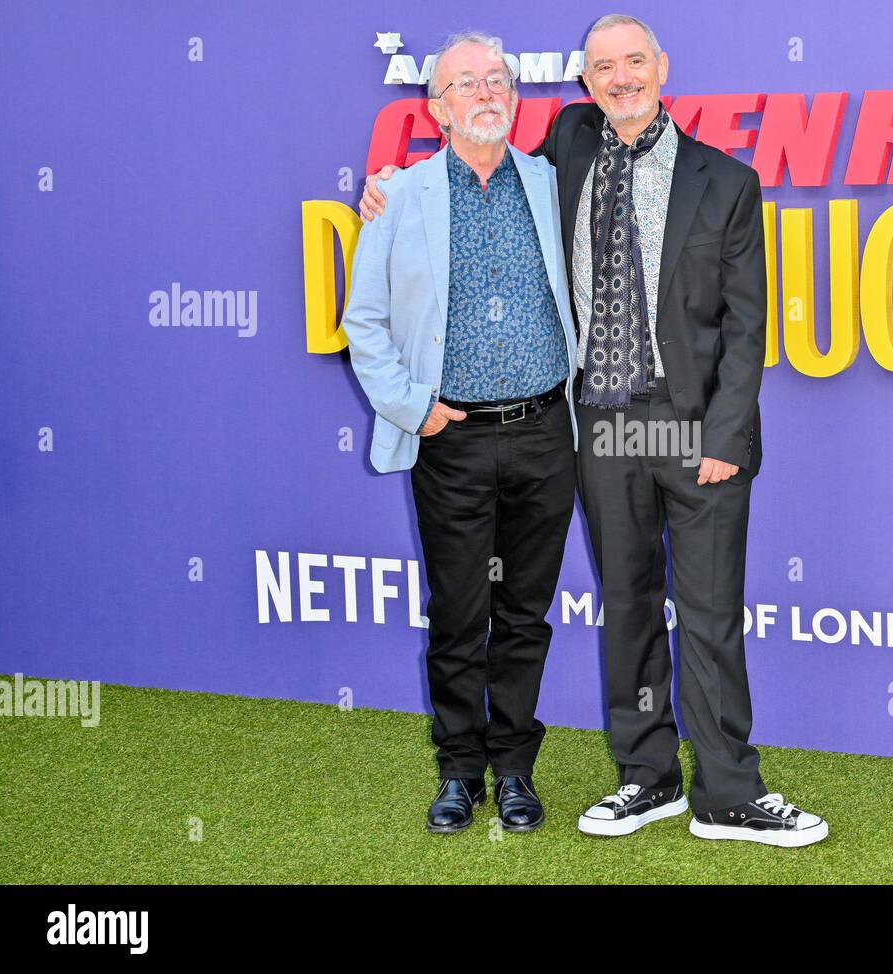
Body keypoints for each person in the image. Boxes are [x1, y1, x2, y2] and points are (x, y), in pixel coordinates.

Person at [363, 15, 826, 847]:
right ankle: (646, 778)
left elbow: (748, 329)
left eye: (634, 63)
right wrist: (385, 182)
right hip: (603, 428)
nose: (620, 79)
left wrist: (724, 436)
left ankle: (728, 790)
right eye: (603, 67)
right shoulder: (569, 148)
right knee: (628, 605)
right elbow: (460, 161)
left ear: (662, 68)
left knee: (712, 612)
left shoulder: (726, 181)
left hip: (694, 433)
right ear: (584, 84)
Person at [344, 31, 579, 835]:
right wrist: (416, 407)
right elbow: (364, 323)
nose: (485, 92)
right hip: (453, 441)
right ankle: (459, 772)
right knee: (458, 612)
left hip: (548, 432)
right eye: (465, 83)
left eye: (496, 80)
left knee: (524, 614)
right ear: (436, 107)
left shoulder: (553, 185)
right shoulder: (398, 196)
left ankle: (514, 770)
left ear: (514, 98)